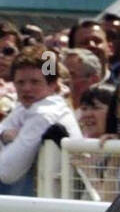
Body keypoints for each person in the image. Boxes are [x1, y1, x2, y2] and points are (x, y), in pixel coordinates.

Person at [0, 47, 81, 190]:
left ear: (53, 84)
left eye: (35, 82)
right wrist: (3, 135)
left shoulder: (45, 113)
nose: (26, 88)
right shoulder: (24, 108)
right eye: (20, 82)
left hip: (63, 203)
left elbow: (6, 172)